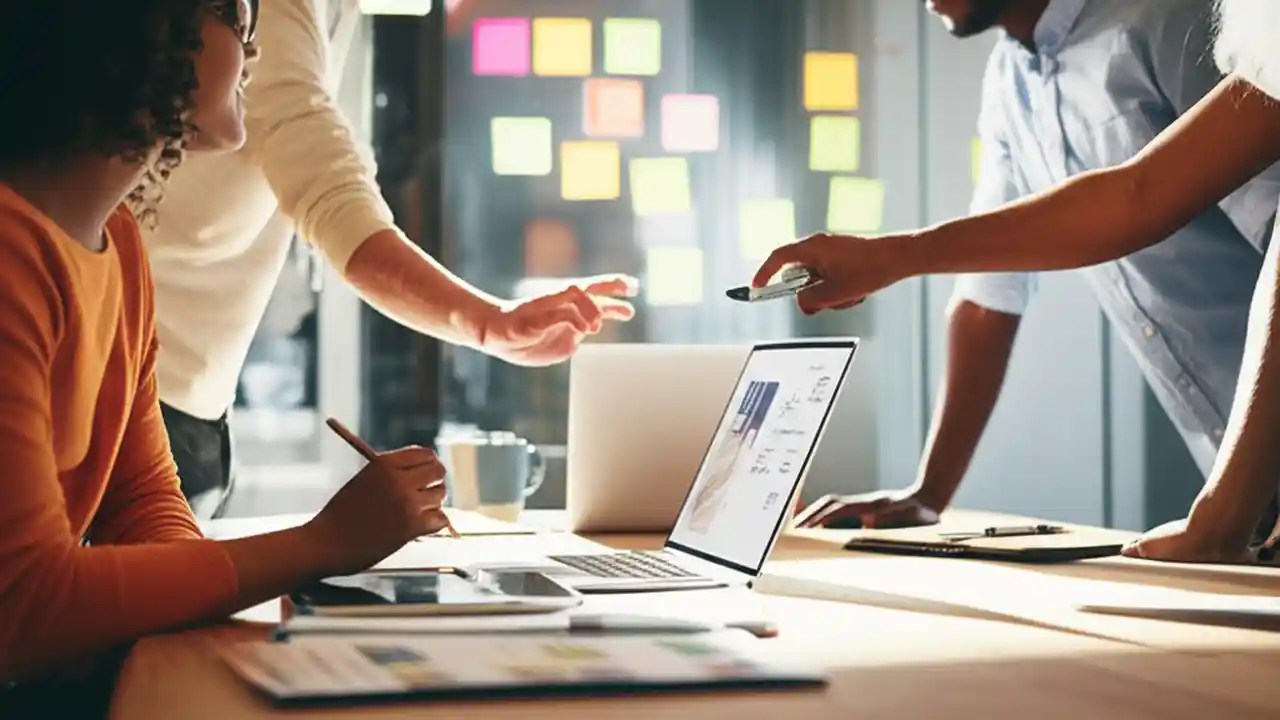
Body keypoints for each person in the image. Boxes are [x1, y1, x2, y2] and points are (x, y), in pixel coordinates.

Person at [0, 1, 453, 708]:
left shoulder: (118, 246)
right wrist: (326, 542)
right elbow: (25, 603)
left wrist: (209, 602)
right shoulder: (10, 257)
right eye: (229, 15)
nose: (251, 41)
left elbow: (144, 498)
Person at [757, 0, 1280, 564]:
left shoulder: (1170, 21)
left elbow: (1142, 198)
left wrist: (1224, 514)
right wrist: (930, 493)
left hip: (1243, 487)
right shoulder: (1010, 79)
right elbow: (990, 296)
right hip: (1244, 475)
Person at [147, 0, 638, 518]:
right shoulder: (276, 11)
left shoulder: (340, 17)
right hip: (136, 405)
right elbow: (339, 207)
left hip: (193, 411)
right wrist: (491, 324)